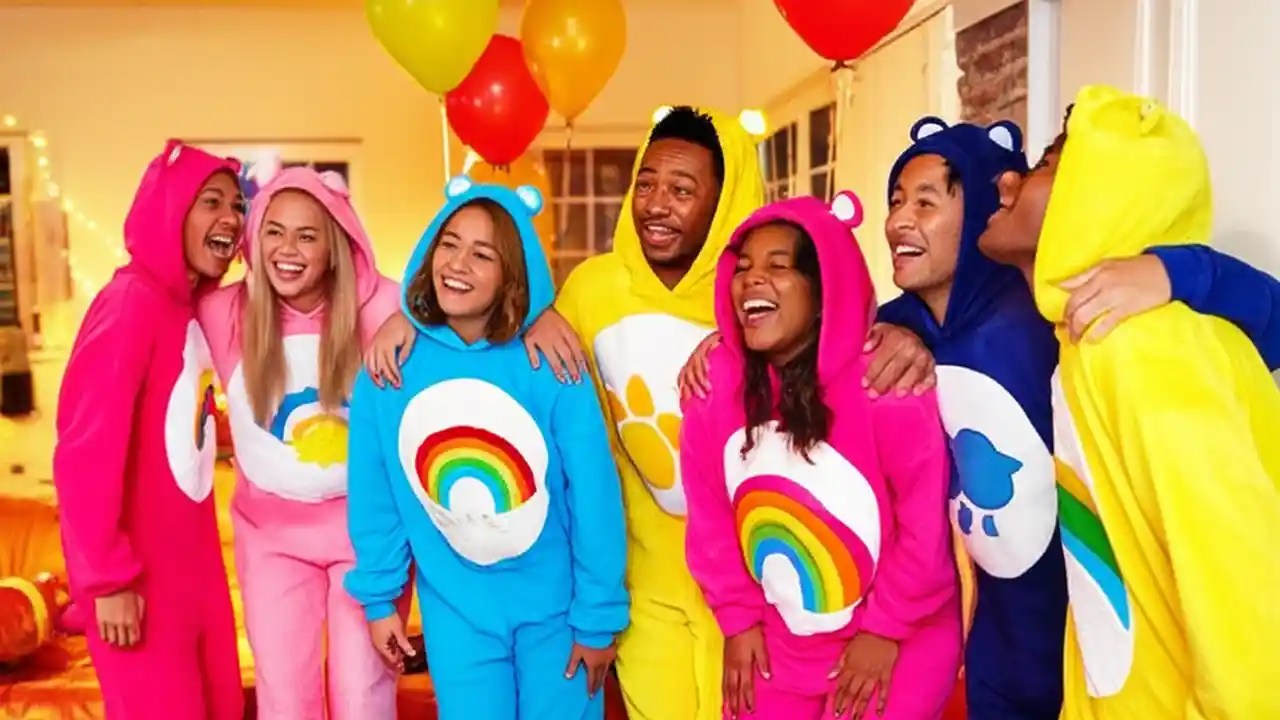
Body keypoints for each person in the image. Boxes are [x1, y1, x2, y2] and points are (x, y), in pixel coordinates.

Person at [364, 106, 932, 720]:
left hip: (758, 588)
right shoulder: (591, 290)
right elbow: (510, 344)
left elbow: (832, 330)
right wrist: (431, 315)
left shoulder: (749, 296)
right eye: (647, 184)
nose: (658, 204)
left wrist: (905, 333)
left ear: (722, 200)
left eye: (683, 191)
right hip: (642, 578)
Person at [979, 84, 1280, 719]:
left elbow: (1242, 588)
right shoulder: (1086, 345)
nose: (1007, 180)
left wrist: (1185, 269)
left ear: (1097, 195)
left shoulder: (1143, 347)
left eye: (1044, 165)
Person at [343, 177, 628, 720]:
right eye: (448, 244)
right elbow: (375, 495)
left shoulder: (554, 364)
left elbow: (594, 494)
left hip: (559, 614)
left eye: (482, 254)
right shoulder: (390, 367)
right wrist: (380, 600)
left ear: (512, 276)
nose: (458, 263)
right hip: (457, 617)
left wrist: (597, 615)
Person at [683, 192, 961, 720]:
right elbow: (711, 516)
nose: (752, 280)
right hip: (778, 635)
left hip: (899, 632)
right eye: (742, 268)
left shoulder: (886, 380)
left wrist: (886, 630)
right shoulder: (714, 382)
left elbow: (923, 528)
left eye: (778, 266)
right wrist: (738, 620)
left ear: (823, 288)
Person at [196, 167, 404, 718]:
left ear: (336, 247)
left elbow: (471, 313)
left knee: (363, 692)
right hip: (271, 541)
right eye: (274, 231)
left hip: (366, 537)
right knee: (285, 697)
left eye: (307, 235)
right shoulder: (222, 314)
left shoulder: (383, 308)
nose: (287, 250)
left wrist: (543, 318)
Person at [53, 140, 245, 719]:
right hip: (137, 586)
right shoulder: (129, 302)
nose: (231, 219)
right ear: (171, 212)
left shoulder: (193, 308)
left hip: (197, 576)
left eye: (237, 206)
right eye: (211, 202)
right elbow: (85, 451)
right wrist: (106, 581)